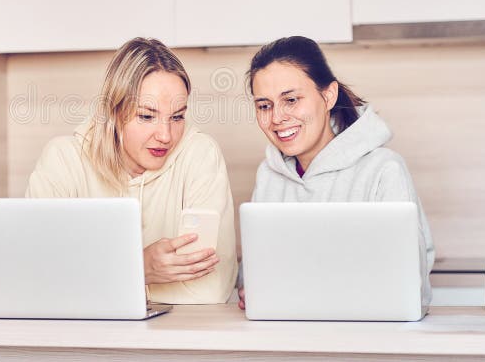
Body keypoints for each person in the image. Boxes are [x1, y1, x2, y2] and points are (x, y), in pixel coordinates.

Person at [27, 37, 238, 304]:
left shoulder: (200, 154)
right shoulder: (63, 160)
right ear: (113, 113)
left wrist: (97, 280)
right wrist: (139, 268)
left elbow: (213, 288)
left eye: (177, 117)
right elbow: (37, 278)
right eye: (147, 116)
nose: (166, 136)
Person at [238, 36, 434, 309]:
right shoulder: (268, 175)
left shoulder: (384, 170)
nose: (276, 118)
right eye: (264, 106)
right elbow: (251, 276)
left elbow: (412, 287)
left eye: (291, 100)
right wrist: (249, 290)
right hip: (285, 329)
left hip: (368, 331)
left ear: (328, 96)